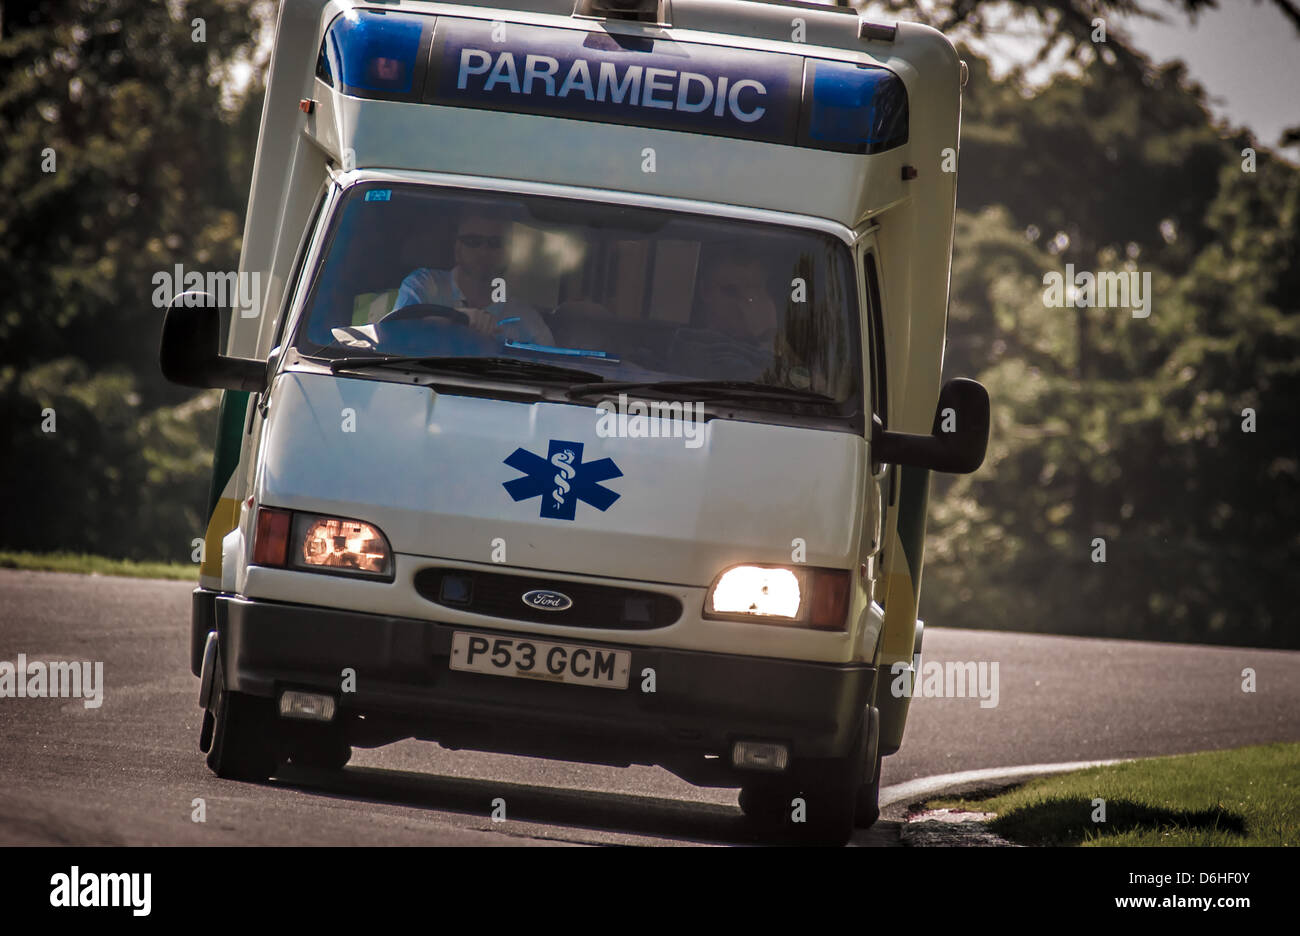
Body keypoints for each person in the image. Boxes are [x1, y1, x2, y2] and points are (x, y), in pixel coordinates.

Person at [388, 210, 555, 345]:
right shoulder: (424, 285)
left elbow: (550, 365)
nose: (483, 252)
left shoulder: (523, 318)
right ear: (457, 248)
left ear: (507, 254)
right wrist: (456, 318)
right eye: (473, 241)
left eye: (495, 243)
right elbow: (396, 333)